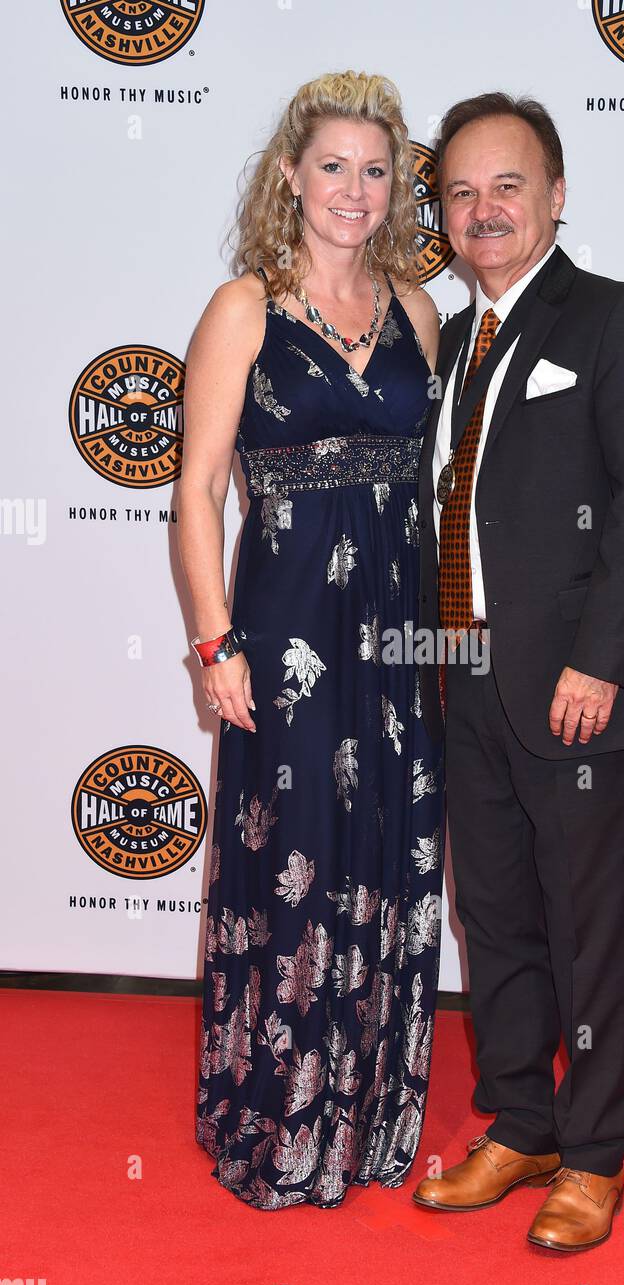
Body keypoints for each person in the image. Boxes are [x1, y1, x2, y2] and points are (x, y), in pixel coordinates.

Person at [411, 93, 624, 1251]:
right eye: (460, 192)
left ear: (555, 195)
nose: (481, 210)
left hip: (580, 685)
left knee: (588, 930)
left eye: (505, 186)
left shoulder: (616, 319)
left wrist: (595, 660)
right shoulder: (453, 339)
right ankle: (519, 1121)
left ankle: (592, 1151)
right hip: (461, 673)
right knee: (497, 916)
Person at [178, 71, 444, 1209]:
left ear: (395, 189)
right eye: (332, 165)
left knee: (394, 852)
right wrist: (214, 642)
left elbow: (442, 492)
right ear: (291, 176)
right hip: (284, 629)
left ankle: (374, 1105)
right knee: (294, 857)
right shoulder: (245, 308)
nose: (354, 189)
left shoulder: (419, 312)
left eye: (375, 170)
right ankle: (280, 1114)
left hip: (399, 631)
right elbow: (195, 494)